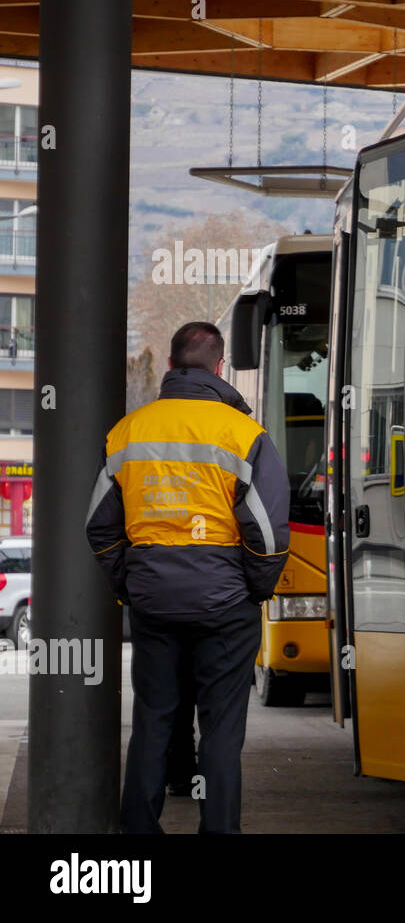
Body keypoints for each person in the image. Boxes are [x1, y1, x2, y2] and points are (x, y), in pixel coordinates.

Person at [85, 322, 290, 833]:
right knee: (221, 730)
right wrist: (255, 590)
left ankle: (137, 833)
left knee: (153, 721)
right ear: (220, 368)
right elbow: (267, 532)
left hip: (153, 602)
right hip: (225, 604)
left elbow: (99, 527)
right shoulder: (245, 435)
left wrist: (130, 584)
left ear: (172, 366)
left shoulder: (128, 432)